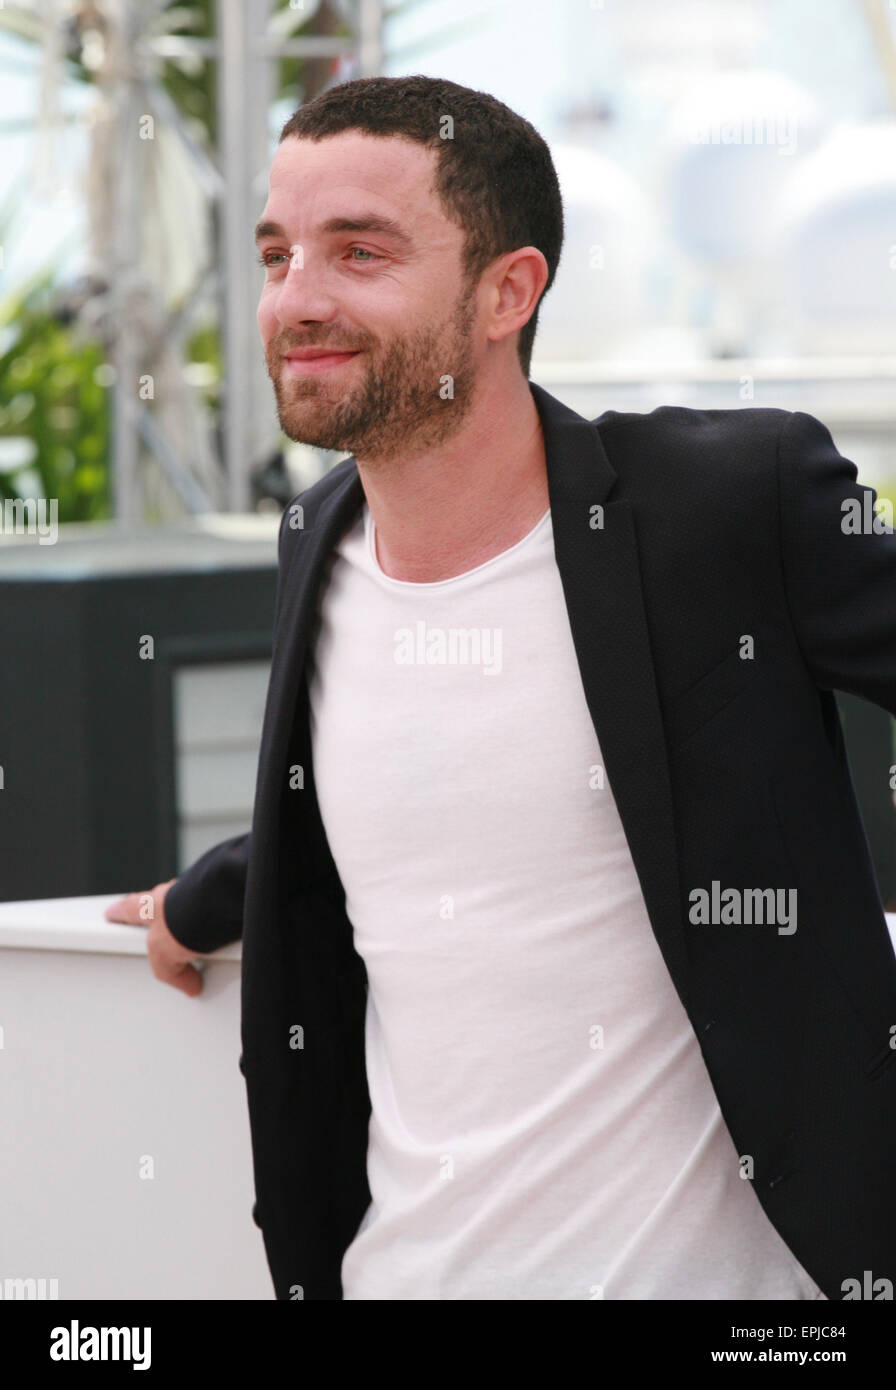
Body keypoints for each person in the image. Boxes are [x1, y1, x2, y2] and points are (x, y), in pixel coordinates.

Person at [106, 74, 896, 1302]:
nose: (296, 299)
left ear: (505, 291)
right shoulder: (315, 535)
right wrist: (212, 893)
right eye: (276, 255)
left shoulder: (723, 503)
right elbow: (424, 784)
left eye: (358, 251)